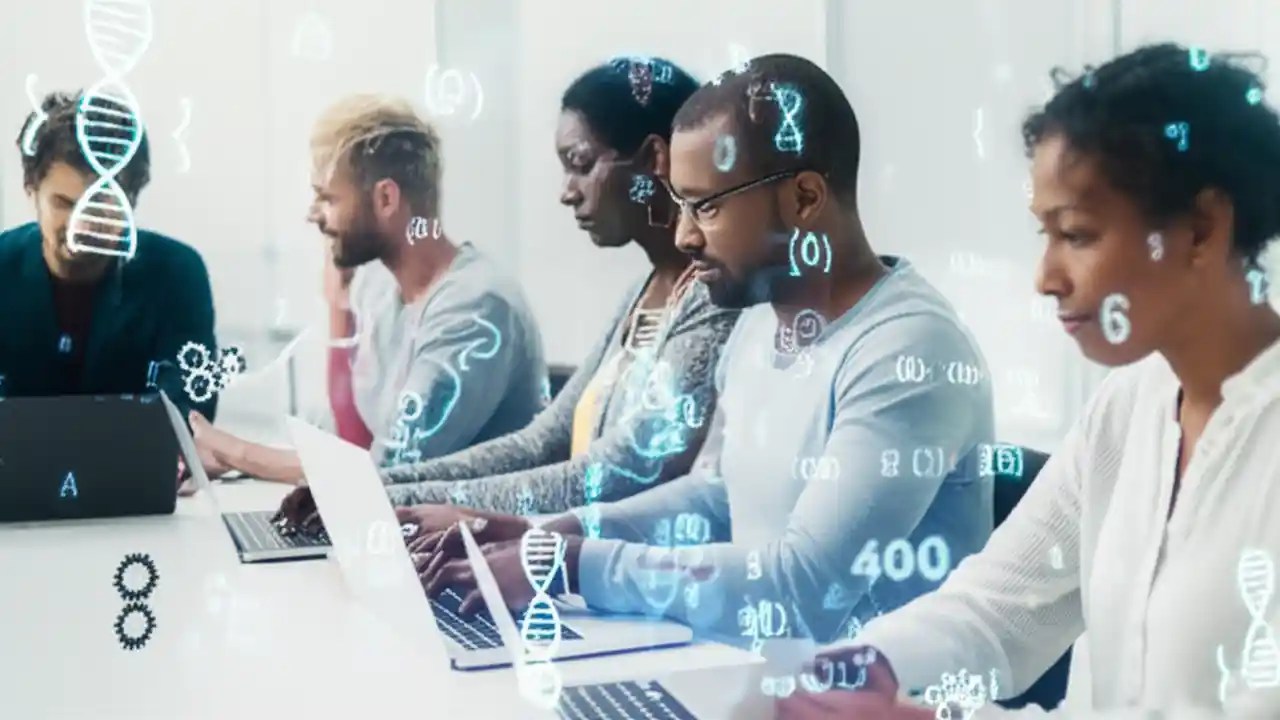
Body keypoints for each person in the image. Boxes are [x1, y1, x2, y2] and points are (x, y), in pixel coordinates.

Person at [411, 54, 996, 649]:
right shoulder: (757, 326)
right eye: (681, 205)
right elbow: (716, 497)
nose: (686, 235)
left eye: (707, 207)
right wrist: (549, 531)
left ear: (805, 198)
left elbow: (801, 592)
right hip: (750, 678)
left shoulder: (906, 352)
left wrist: (573, 563)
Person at [776, 44, 1280, 719]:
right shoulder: (1131, 406)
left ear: (1200, 229)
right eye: (1044, 234)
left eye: (1076, 234)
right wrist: (867, 664)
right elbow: (998, 607)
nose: (1045, 277)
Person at [272, 57, 740, 529]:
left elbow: (611, 474)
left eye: (580, 165)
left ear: (653, 161)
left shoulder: (711, 300)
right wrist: (370, 489)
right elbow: (542, 442)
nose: (567, 192)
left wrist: (384, 496)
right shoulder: (642, 293)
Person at [190, 95, 547, 485]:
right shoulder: (378, 287)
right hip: (400, 527)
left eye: (327, 198)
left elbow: (391, 469)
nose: (313, 214)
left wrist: (237, 452)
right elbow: (345, 445)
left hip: (464, 539)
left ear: (386, 198)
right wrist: (339, 303)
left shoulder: (475, 309)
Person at [0, 90, 217, 422]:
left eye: (100, 205)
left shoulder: (176, 274)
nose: (80, 225)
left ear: (131, 200)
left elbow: (191, 415)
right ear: (31, 191)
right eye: (63, 203)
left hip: (133, 471)